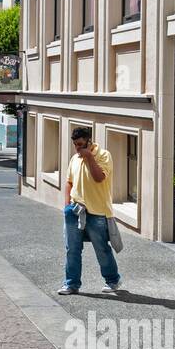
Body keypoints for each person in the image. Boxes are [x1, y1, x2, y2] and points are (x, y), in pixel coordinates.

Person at [58, 126, 122, 295]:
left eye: (80, 144)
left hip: (97, 211)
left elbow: (99, 177)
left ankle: (113, 280)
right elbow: (68, 182)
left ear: (89, 142)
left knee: (101, 248)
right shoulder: (74, 159)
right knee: (72, 248)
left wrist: (89, 158)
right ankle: (71, 284)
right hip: (75, 209)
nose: (77, 148)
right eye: (75, 145)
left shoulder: (103, 155)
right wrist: (67, 206)